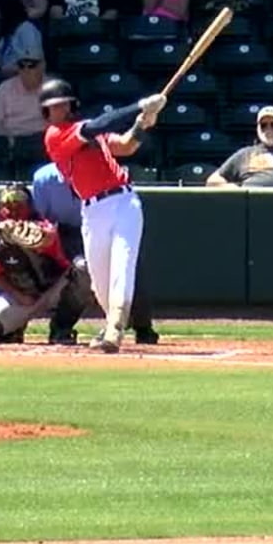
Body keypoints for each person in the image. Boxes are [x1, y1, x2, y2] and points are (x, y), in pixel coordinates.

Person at [40, 79, 165, 353]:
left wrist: (143, 123)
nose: (58, 110)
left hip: (123, 202)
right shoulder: (55, 136)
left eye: (62, 105)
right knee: (98, 278)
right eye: (52, 107)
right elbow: (100, 124)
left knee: (123, 261)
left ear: (72, 104)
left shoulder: (89, 132)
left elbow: (125, 146)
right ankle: (111, 321)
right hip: (93, 210)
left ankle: (116, 328)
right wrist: (139, 106)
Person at [31, 162, 158, 344]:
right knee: (84, 271)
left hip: (102, 222)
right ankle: (61, 327)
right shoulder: (43, 178)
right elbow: (41, 219)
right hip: (67, 234)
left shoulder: (97, 170)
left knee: (127, 268)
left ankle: (143, 328)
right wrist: (46, 233)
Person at [0, 184, 90, 346]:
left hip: (56, 291)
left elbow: (48, 236)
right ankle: (13, 331)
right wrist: (17, 295)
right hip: (25, 297)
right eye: (7, 204)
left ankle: (61, 328)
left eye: (19, 203)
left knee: (83, 270)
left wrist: (32, 238)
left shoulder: (44, 228)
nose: (13, 209)